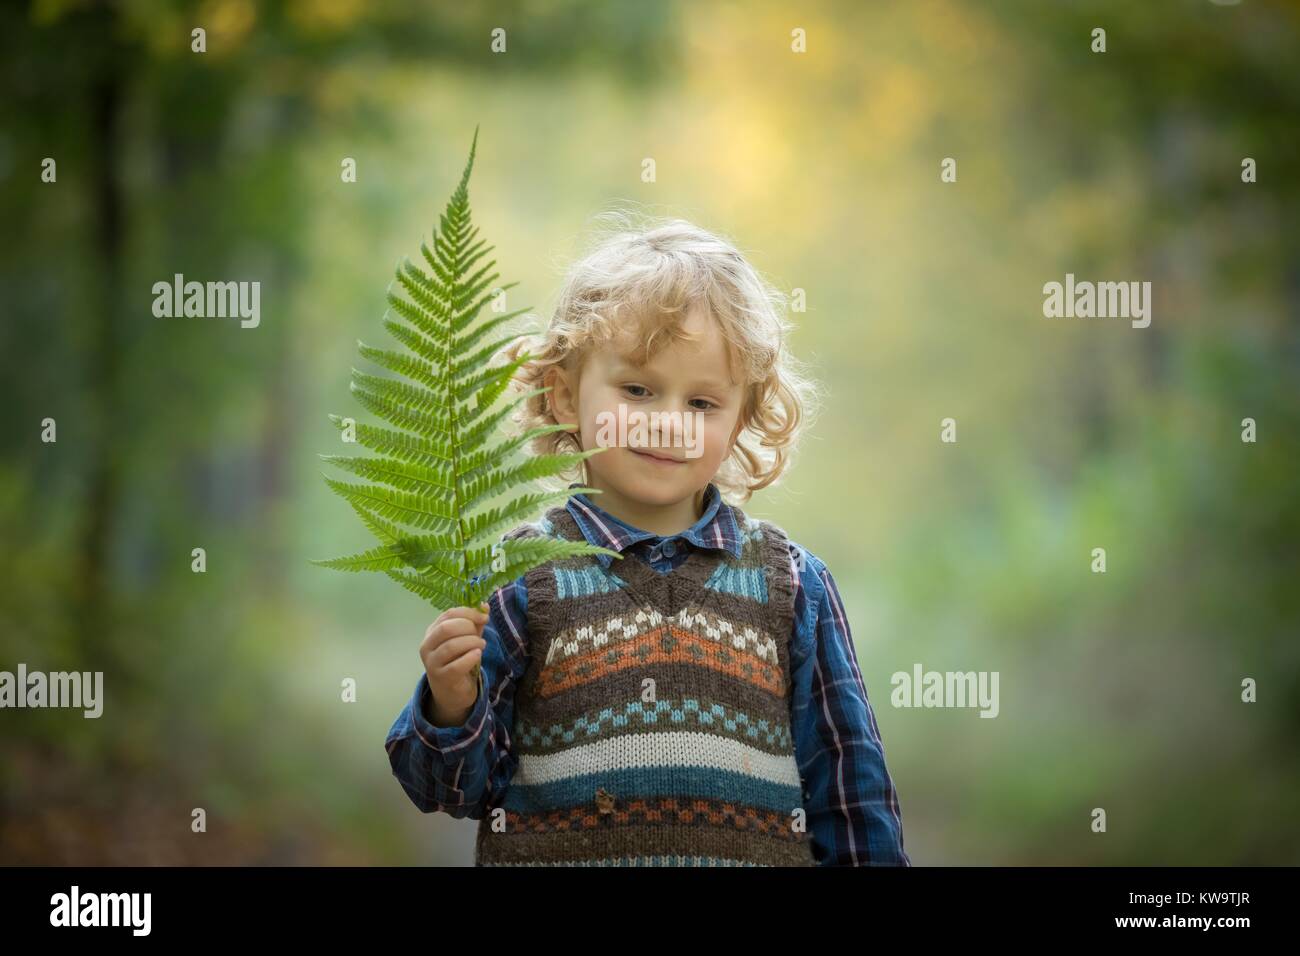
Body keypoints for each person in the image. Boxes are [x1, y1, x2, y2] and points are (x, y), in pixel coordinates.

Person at [385, 214, 910, 866]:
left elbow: (851, 795)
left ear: (741, 416)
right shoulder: (519, 579)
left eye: (701, 404)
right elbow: (448, 792)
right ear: (565, 395)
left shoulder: (792, 585)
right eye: (638, 390)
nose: (669, 424)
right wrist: (449, 701)